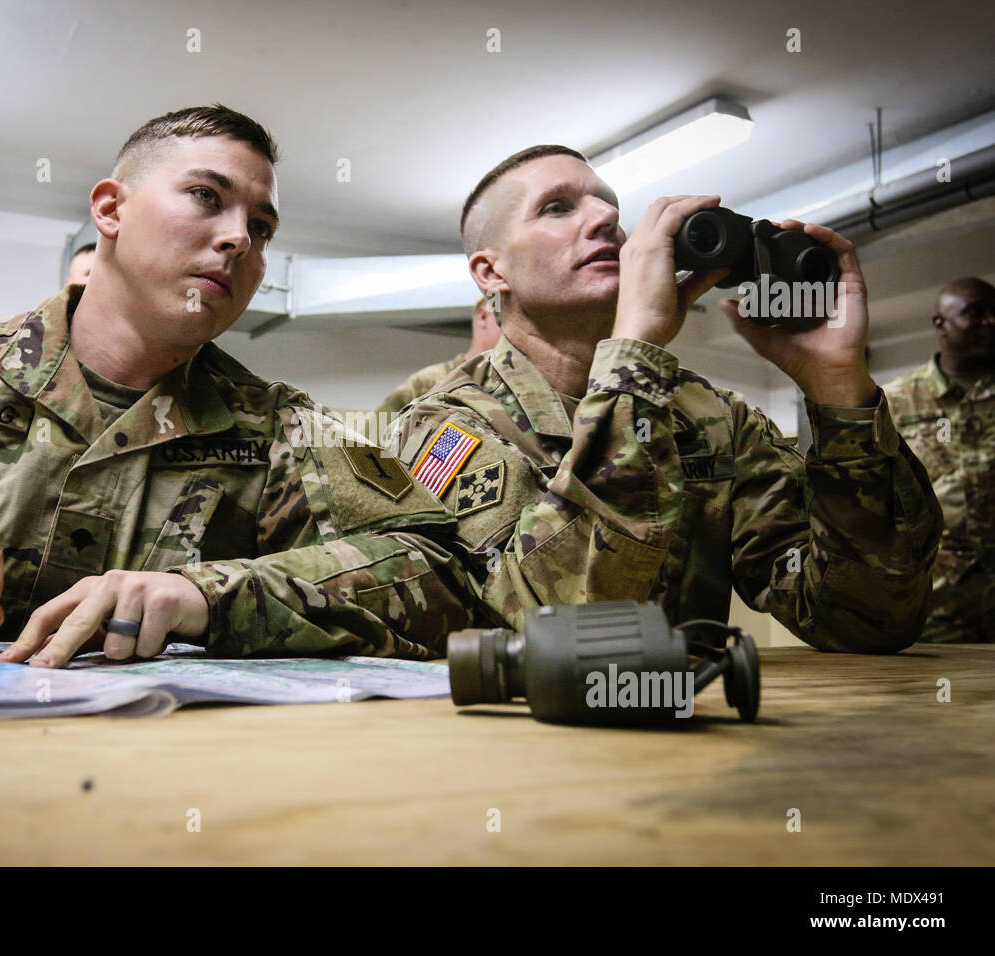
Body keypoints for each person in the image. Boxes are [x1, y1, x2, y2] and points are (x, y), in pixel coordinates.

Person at [0, 105, 469, 666]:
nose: (239, 237)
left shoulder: (275, 426)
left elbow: (438, 572)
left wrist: (213, 596)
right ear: (110, 209)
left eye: (261, 227)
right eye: (206, 196)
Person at [386, 144, 941, 652]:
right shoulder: (444, 425)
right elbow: (554, 626)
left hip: (697, 738)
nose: (605, 218)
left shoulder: (713, 417)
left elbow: (867, 621)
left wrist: (837, 387)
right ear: (491, 271)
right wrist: (635, 350)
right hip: (526, 747)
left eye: (609, 206)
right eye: (556, 208)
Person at [883, 277, 995, 642]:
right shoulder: (894, 402)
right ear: (940, 323)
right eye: (975, 313)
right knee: (936, 696)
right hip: (934, 607)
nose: (990, 321)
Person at [376, 296, 501, 414]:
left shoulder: (516, 386)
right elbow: (373, 433)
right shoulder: (425, 385)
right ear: (483, 317)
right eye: (510, 317)